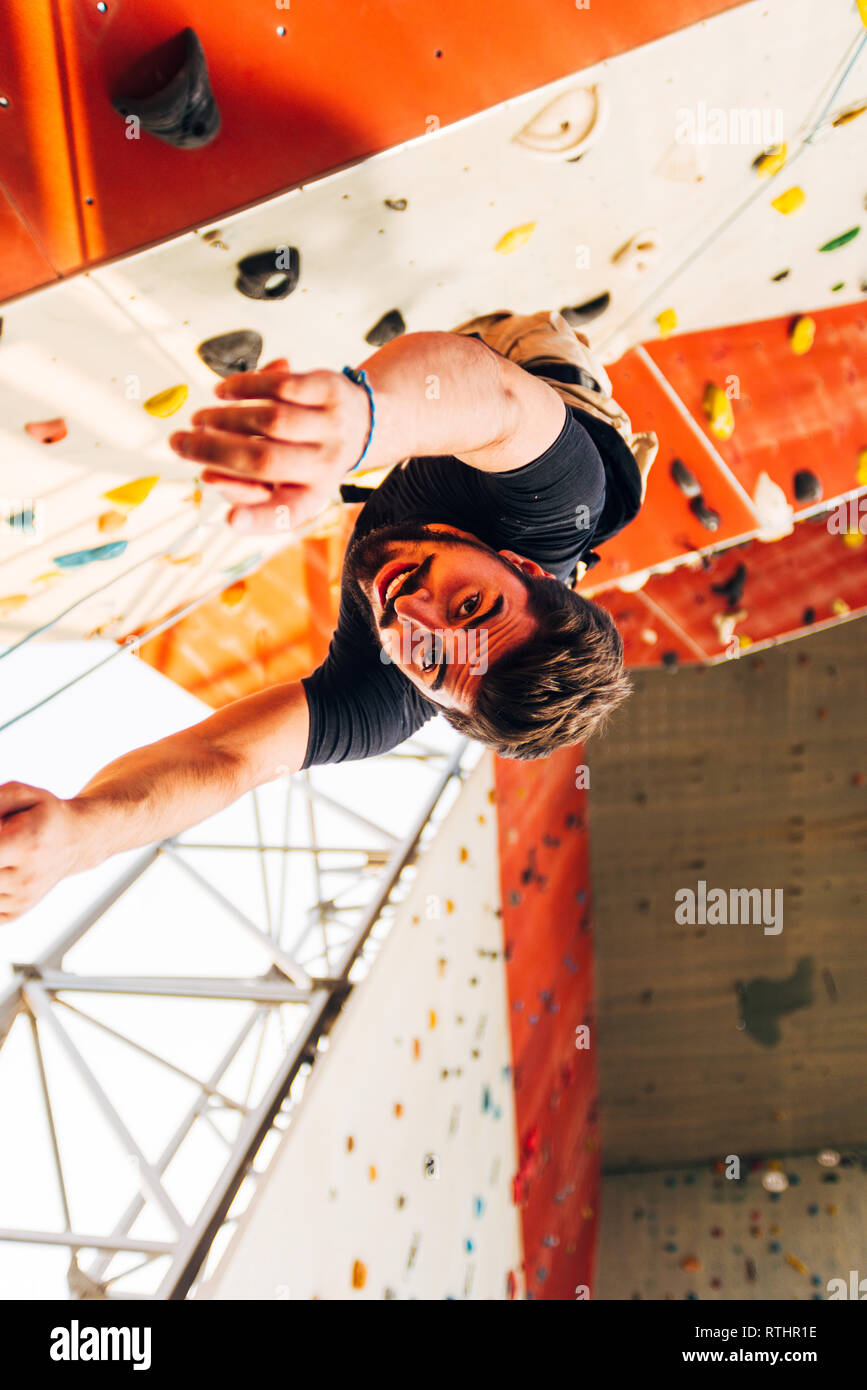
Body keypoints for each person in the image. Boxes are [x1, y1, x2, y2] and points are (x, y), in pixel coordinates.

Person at [0, 311, 656, 921]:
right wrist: (361, 422)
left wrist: (81, 837)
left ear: (422, 694)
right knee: (489, 351)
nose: (410, 609)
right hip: (545, 385)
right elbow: (505, 406)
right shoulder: (555, 501)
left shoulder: (381, 701)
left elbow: (225, 758)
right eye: (469, 606)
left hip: (425, 444)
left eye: (428, 658)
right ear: (525, 568)